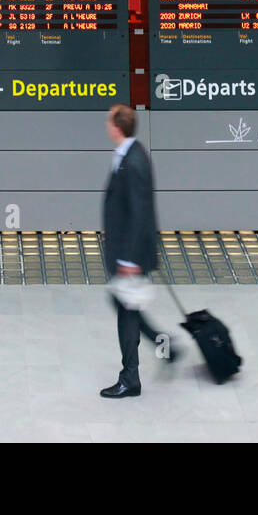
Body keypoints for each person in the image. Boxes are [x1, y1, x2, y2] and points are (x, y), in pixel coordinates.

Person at [100, 103, 174, 398]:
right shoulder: (129, 154)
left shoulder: (134, 161)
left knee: (126, 314)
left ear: (117, 127)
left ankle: (130, 378)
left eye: (109, 121)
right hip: (127, 254)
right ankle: (164, 343)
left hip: (132, 257)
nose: (107, 126)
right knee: (124, 306)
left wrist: (129, 259)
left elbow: (140, 213)